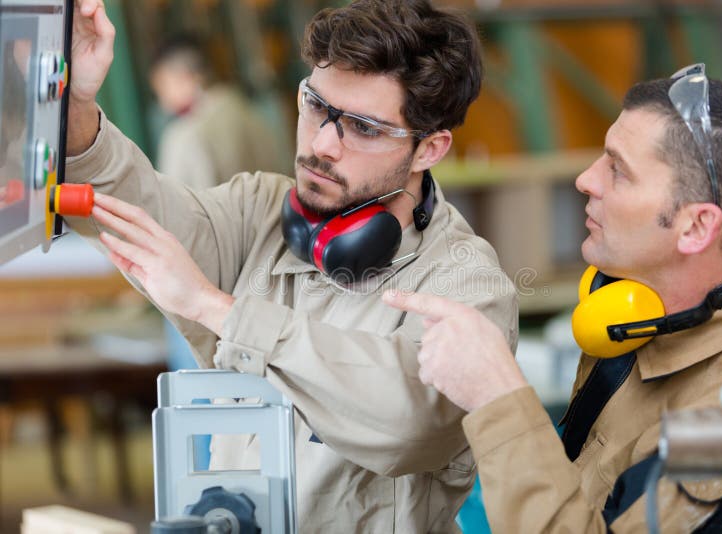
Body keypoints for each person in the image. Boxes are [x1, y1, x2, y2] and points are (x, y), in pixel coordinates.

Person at [65, 0, 518, 532]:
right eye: (316, 105)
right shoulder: (257, 212)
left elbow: (410, 422)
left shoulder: (467, 283)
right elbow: (137, 210)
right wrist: (74, 104)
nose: (322, 144)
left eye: (364, 128)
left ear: (429, 149)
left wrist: (221, 311)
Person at [385, 66, 722, 532]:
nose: (586, 180)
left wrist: (496, 395)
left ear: (697, 227)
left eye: (618, 170)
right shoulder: (657, 290)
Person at [148, 34, 287, 190]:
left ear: (184, 78)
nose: (161, 100)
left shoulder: (182, 135)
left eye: (162, 85)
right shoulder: (253, 115)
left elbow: (174, 207)